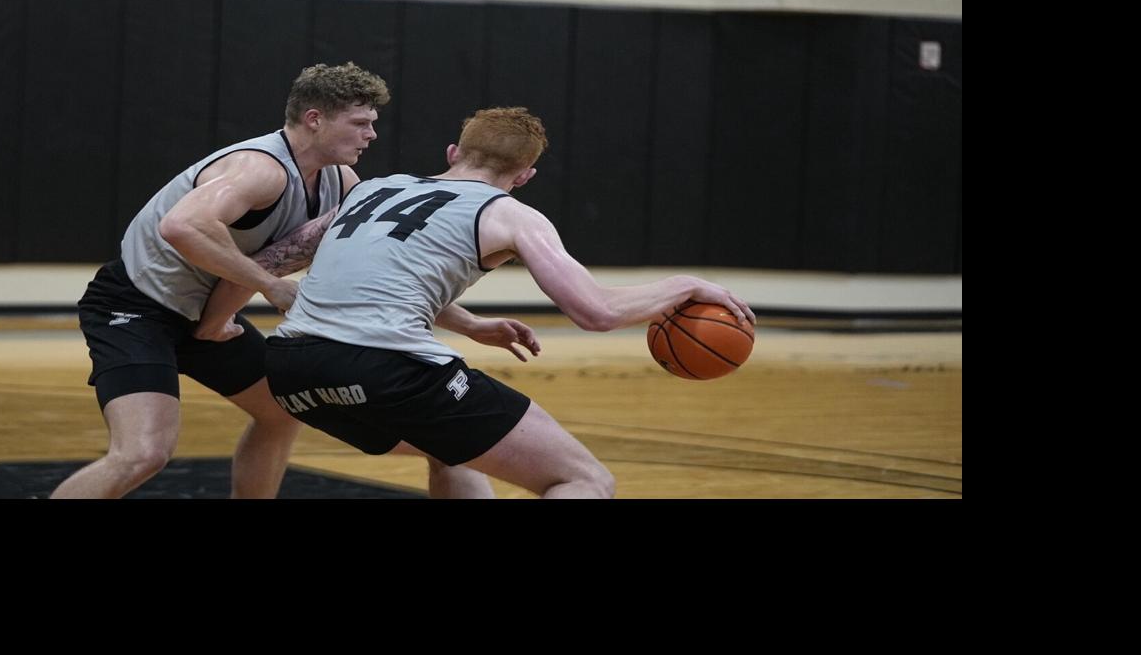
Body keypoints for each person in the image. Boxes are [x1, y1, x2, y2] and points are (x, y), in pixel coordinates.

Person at [210, 106, 753, 499]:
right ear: (525, 176)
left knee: (450, 446)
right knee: (583, 480)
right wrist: (684, 284)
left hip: (290, 369)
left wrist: (210, 319)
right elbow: (597, 312)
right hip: (383, 365)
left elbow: (282, 260)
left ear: (453, 154)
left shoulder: (375, 188)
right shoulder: (510, 213)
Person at [52, 62, 529, 498]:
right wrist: (271, 284)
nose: (371, 135)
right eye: (360, 123)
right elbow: (182, 227)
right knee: (143, 453)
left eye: (373, 124)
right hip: (137, 307)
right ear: (316, 119)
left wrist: (467, 323)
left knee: (281, 411)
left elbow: (372, 273)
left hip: (207, 312)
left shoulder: (339, 181)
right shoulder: (258, 167)